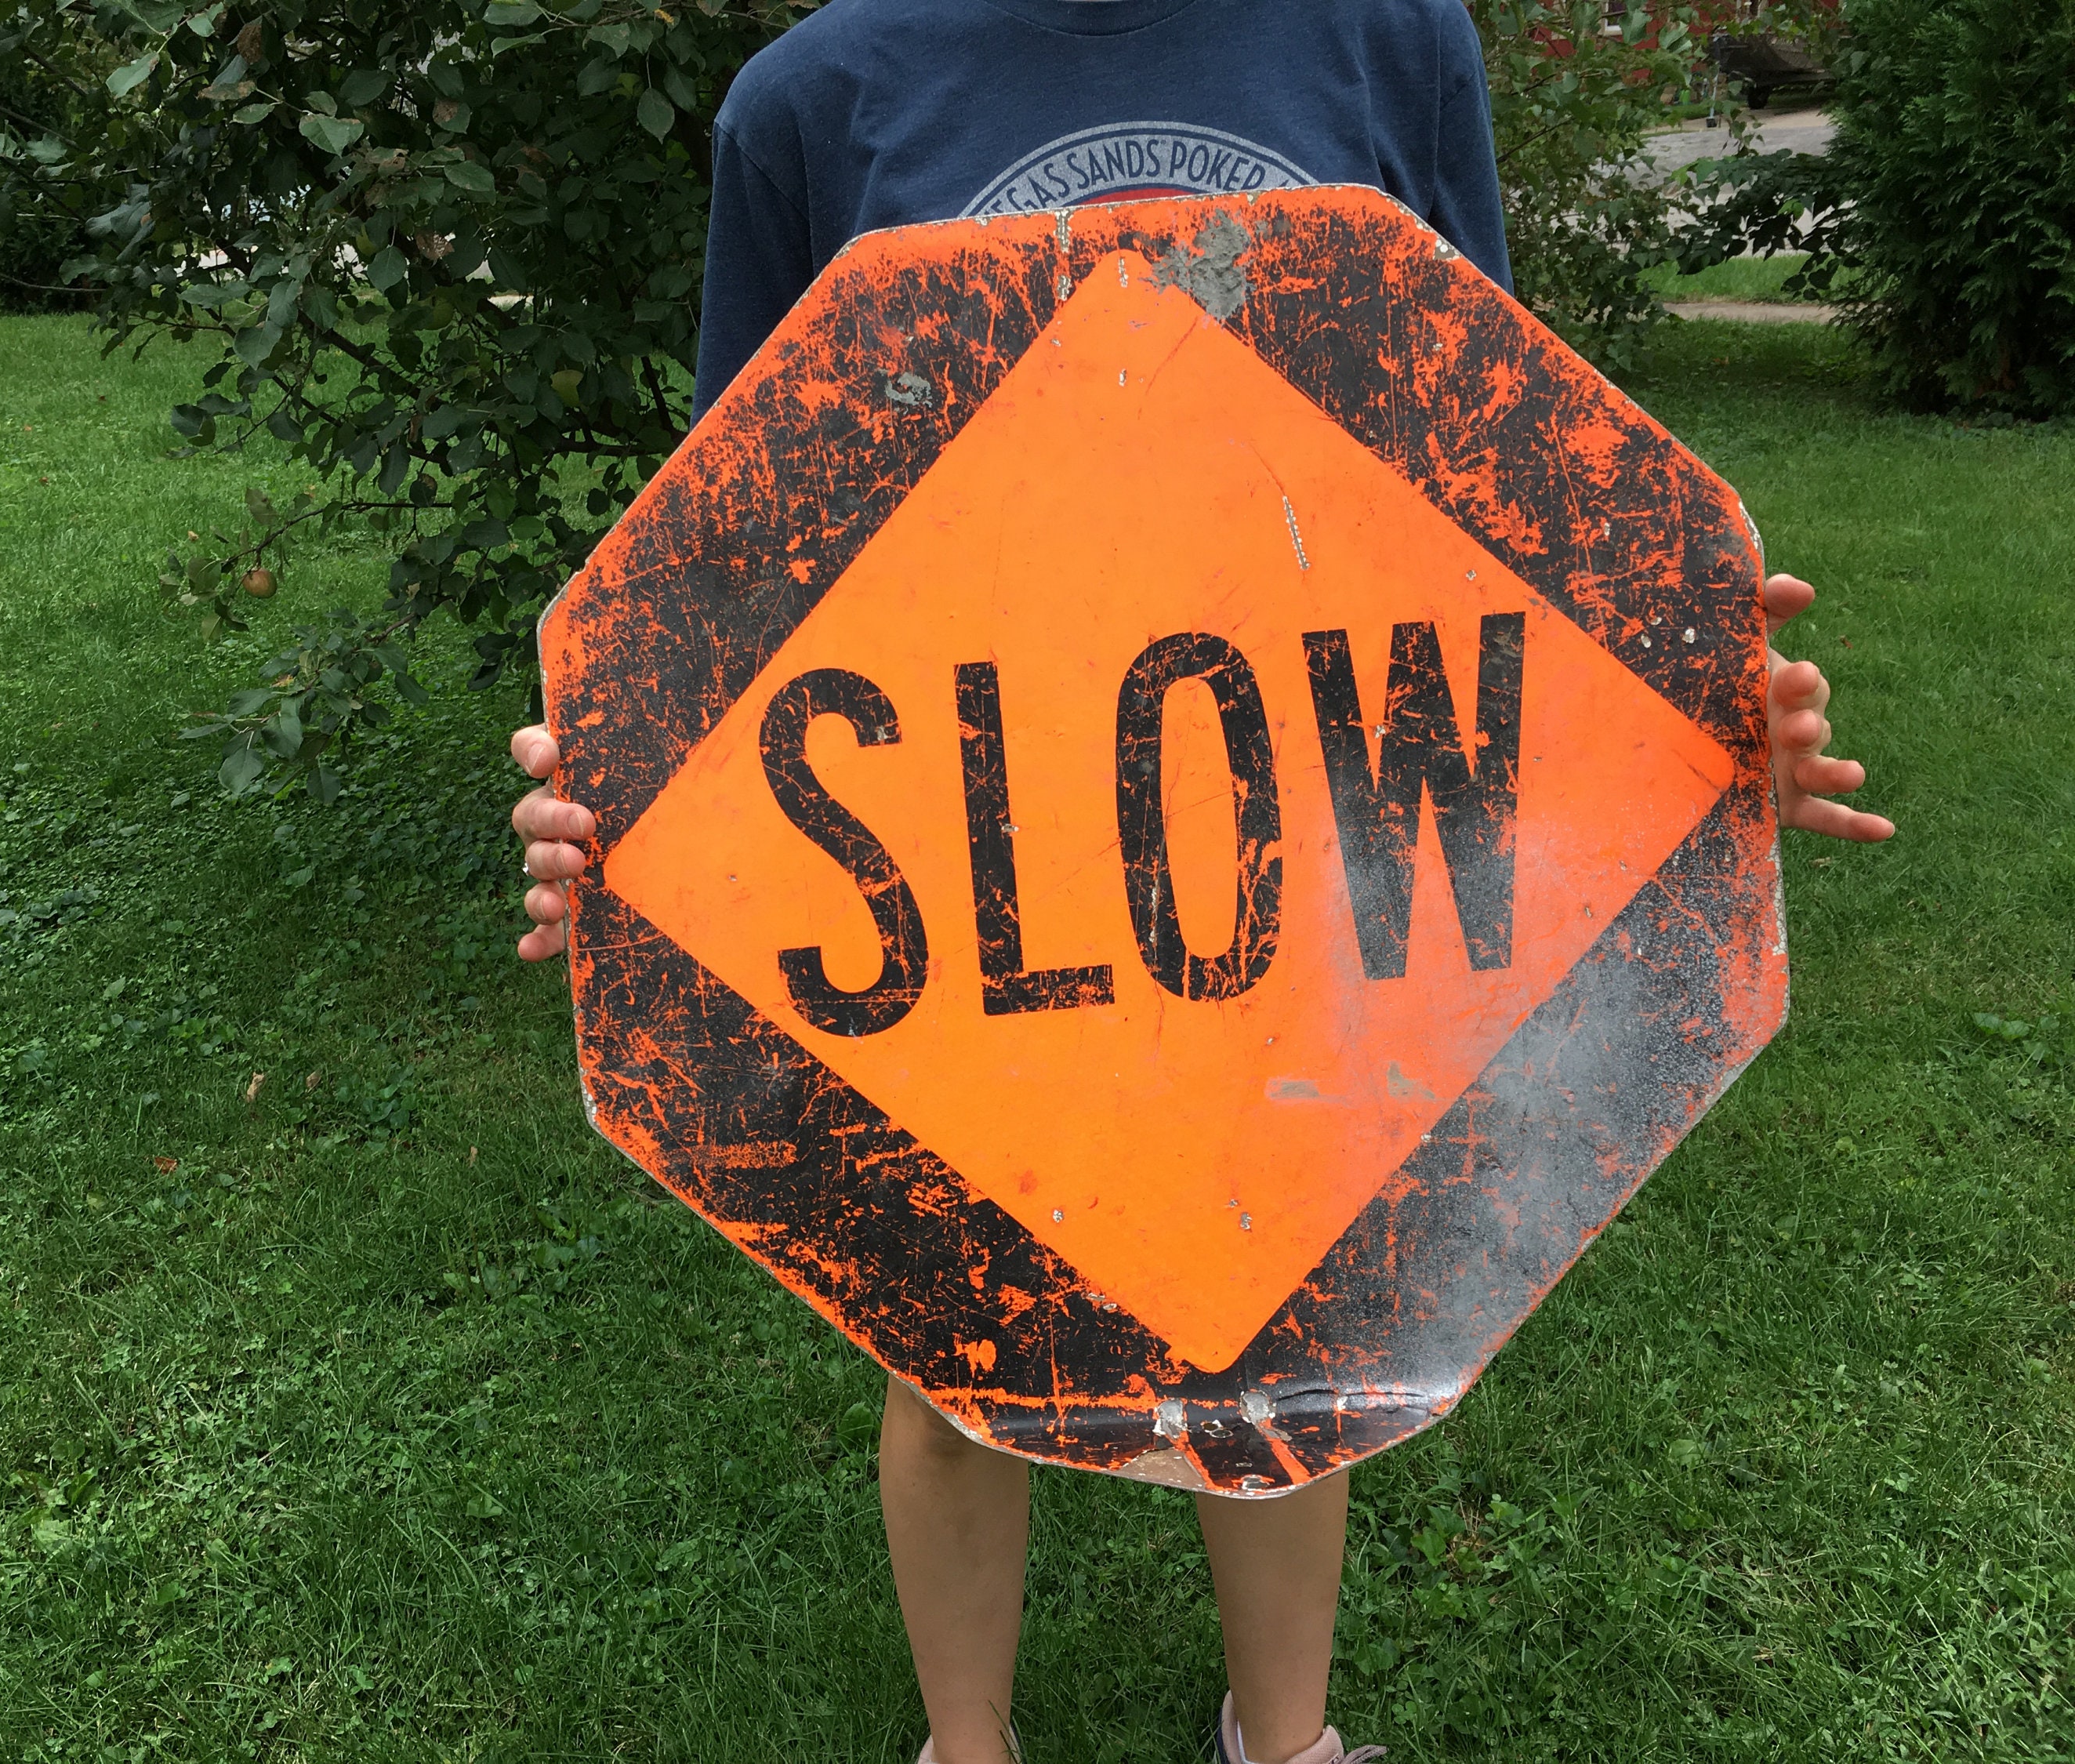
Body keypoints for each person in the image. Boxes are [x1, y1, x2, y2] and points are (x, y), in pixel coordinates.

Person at [507, 3, 1899, 1759]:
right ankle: (966, 1744)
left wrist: (1692, 724)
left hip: (1303, 820)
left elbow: (1499, 488)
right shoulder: (813, 99)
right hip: (955, 847)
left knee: (1284, 1310)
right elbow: (730, 567)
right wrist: (621, 817)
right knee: (950, 1346)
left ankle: (1285, 1740)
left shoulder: (1388, 40)